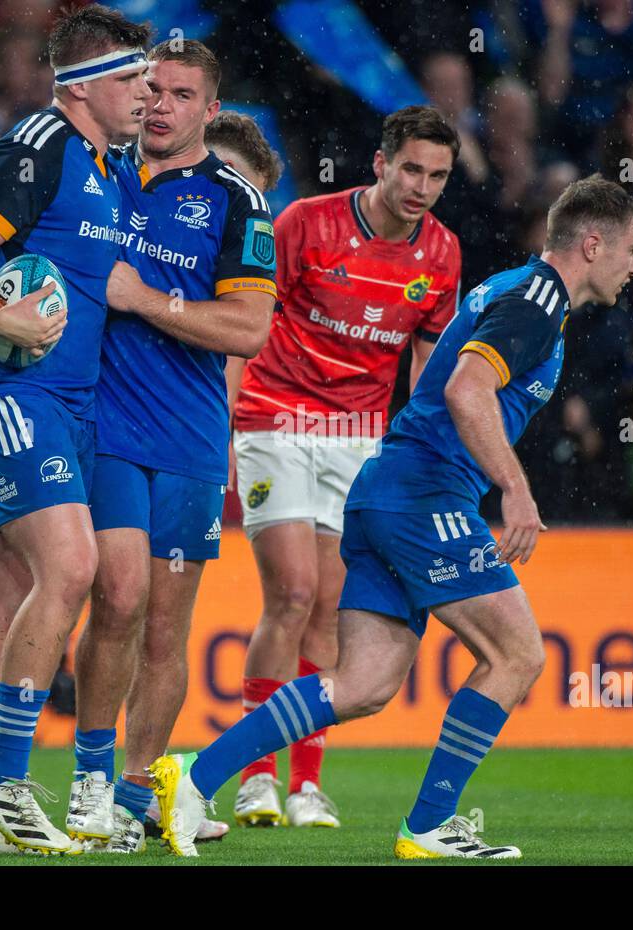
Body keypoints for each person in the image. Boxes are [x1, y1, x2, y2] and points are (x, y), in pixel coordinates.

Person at [149, 173, 633, 858]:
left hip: (385, 490)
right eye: (632, 249)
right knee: (517, 653)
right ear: (593, 243)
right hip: (424, 496)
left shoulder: (519, 293)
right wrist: (516, 489)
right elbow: (468, 389)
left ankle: (192, 778)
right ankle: (430, 823)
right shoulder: (535, 301)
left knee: (362, 686)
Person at [0, 4, 152, 855]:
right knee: (75, 565)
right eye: (130, 79)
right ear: (84, 86)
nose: (144, 94)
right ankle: (7, 785)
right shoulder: (40, 146)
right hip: (20, 400)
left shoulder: (103, 165)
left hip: (58, 409)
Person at [68, 39, 278, 854]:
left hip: (190, 442)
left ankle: (132, 792)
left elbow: (250, 328)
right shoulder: (96, 171)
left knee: (164, 629)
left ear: (210, 110)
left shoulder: (234, 200)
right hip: (106, 426)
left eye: (182, 95)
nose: (160, 105)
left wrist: (144, 298)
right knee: (117, 596)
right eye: (150, 89)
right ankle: (89, 779)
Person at [226, 106, 462, 828]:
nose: (422, 186)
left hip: (360, 436)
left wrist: (421, 459)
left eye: (438, 175)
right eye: (412, 168)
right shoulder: (304, 222)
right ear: (381, 163)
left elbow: (427, 365)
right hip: (274, 417)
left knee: (329, 608)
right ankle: (254, 776)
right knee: (292, 595)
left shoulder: (442, 254)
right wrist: (220, 431)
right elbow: (246, 322)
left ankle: (306, 785)